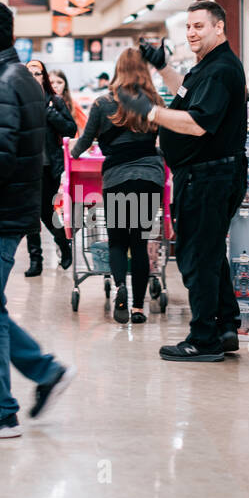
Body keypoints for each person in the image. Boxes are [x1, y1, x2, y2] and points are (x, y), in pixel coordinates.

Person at [0, 0, 75, 440]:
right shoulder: (20, 77)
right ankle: (44, 371)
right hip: (5, 213)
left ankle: (1, 409)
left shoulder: (0, 85)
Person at [139, 1, 247, 362]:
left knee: (198, 256)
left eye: (199, 26)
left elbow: (197, 122)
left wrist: (151, 112)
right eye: (188, 27)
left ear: (219, 28)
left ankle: (203, 339)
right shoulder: (209, 68)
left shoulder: (221, 70)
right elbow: (186, 94)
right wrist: (162, 67)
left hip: (210, 175)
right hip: (207, 174)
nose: (191, 33)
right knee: (211, 253)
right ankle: (226, 327)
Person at [71, 48, 165, 324]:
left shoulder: (102, 104)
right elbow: (167, 141)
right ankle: (138, 307)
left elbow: (86, 140)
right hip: (149, 178)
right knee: (139, 243)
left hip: (117, 179)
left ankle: (118, 288)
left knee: (117, 240)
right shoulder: (155, 101)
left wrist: (73, 153)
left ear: (118, 69)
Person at [21, 58, 75, 276]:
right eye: (29, 73)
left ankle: (63, 244)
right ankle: (36, 260)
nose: (34, 77)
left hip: (48, 166)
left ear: (44, 77)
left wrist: (49, 113)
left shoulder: (54, 101)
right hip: (25, 167)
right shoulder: (18, 101)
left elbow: (71, 129)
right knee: (31, 215)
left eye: (38, 73)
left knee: (47, 212)